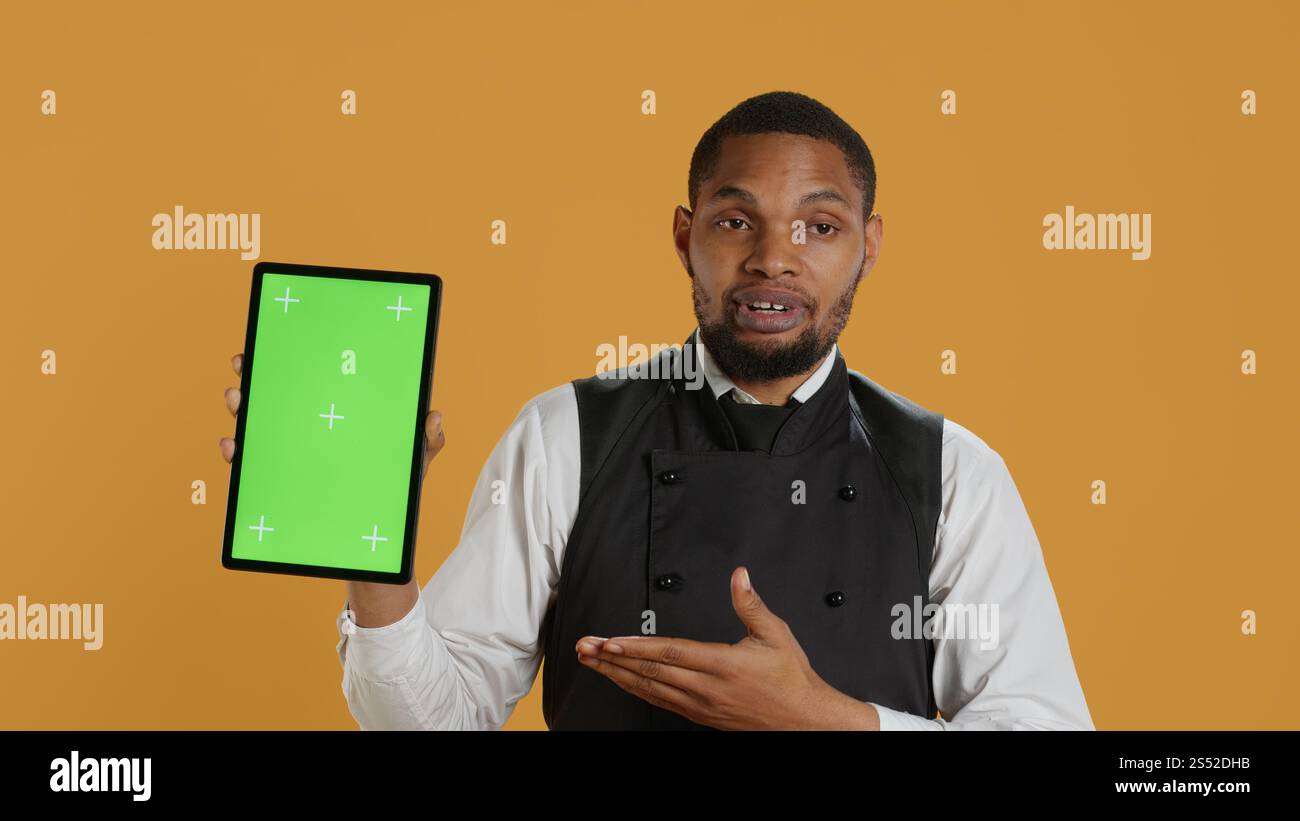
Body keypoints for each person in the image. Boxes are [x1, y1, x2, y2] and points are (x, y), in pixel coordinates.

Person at [220, 91, 1094, 731]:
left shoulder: (952, 472)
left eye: (819, 228)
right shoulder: (565, 435)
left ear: (869, 245)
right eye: (734, 220)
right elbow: (433, 725)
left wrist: (828, 722)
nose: (772, 260)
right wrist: (374, 547)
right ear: (686, 235)